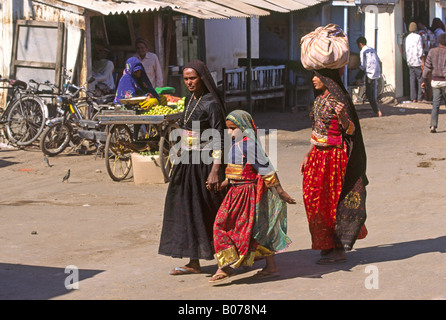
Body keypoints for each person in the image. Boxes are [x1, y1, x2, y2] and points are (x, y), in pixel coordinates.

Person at [209, 110, 295, 283]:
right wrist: (222, 184)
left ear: (244, 128)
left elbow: (265, 170)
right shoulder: (235, 145)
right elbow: (235, 174)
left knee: (222, 224)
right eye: (228, 129)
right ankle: (271, 267)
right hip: (234, 193)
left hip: (246, 194)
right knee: (254, 229)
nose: (230, 133)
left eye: (233, 128)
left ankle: (226, 266)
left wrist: (280, 192)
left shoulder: (249, 145)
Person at [158, 59, 227, 275]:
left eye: (193, 78)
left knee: (210, 209)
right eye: (186, 78)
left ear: (202, 78)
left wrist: (216, 170)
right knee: (186, 208)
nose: (189, 82)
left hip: (205, 165)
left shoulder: (211, 104)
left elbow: (220, 138)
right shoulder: (190, 100)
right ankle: (193, 262)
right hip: (187, 163)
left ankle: (226, 261)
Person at [300, 68, 368, 264]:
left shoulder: (340, 99)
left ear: (327, 78)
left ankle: (339, 249)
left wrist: (344, 118)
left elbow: (351, 130)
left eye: (317, 76)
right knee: (315, 200)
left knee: (333, 202)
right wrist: (308, 153)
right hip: (317, 156)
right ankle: (327, 243)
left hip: (334, 158)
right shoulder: (319, 98)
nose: (313, 80)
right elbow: (317, 129)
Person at [421, 32, 446, 133]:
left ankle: (433, 125)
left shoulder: (432, 51)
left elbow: (427, 68)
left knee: (435, 104)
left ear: (439, 41)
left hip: (435, 82)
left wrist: (424, 80)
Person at [356, 36, 383, 117]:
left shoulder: (363, 51)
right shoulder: (372, 49)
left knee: (369, 93)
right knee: (371, 92)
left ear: (360, 44)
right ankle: (376, 110)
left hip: (370, 73)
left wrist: (358, 77)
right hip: (376, 72)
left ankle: (377, 111)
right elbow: (378, 60)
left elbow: (363, 65)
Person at [404, 22, 424, 102]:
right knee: (420, 80)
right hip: (417, 61)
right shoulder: (418, 37)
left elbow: (406, 50)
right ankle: (420, 98)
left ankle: (413, 98)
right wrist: (422, 60)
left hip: (410, 62)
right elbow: (420, 50)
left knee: (412, 80)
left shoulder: (407, 38)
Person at [418, 21, 436, 101]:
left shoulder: (420, 33)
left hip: (424, 56)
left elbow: (421, 47)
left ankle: (425, 96)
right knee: (431, 77)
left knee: (424, 77)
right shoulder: (431, 32)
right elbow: (434, 43)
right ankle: (431, 96)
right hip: (431, 54)